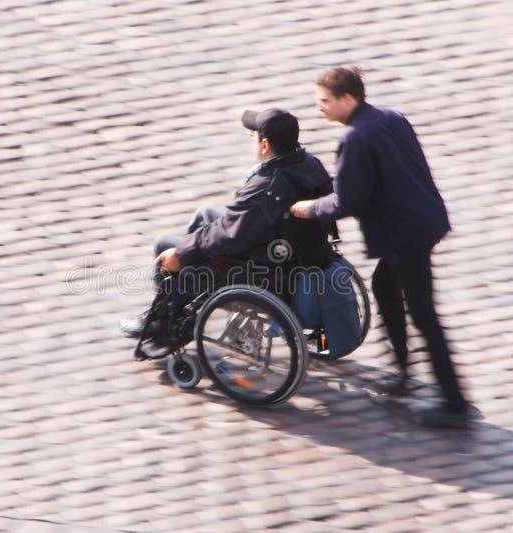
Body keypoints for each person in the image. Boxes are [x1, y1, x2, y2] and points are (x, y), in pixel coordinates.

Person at [290, 66, 470, 428]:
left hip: (404, 235)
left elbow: (348, 201)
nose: (319, 108)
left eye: (325, 101)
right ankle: (402, 372)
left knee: (424, 316)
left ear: (347, 99)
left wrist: (308, 209)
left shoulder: (355, 138)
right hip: (425, 219)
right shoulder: (391, 118)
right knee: (384, 287)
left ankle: (455, 404)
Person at [120, 108, 335, 339]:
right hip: (297, 255)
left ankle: (164, 322)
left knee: (166, 245)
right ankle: (183, 303)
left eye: (254, 136)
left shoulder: (267, 185)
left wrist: (182, 252)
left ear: (264, 145)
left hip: (265, 274)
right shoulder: (309, 163)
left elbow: (232, 236)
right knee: (205, 215)